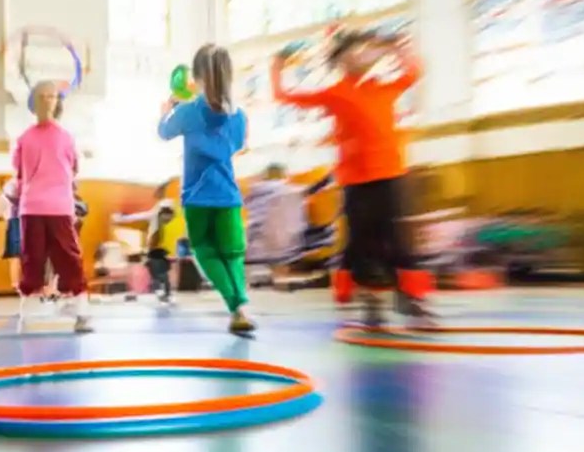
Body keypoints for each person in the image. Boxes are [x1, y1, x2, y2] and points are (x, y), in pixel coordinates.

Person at [271, 29, 431, 328]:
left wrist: (399, 47)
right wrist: (278, 66)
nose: (362, 55)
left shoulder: (383, 87)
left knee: (399, 240)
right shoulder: (335, 93)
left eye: (364, 50)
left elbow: (414, 72)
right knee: (363, 243)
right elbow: (283, 96)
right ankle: (372, 302)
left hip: (392, 176)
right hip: (357, 183)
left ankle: (413, 300)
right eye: (355, 51)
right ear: (341, 60)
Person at [157, 45, 254, 336]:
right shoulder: (240, 117)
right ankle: (241, 307)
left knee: (204, 250)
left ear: (196, 77)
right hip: (228, 195)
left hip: (197, 196)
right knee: (233, 253)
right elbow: (237, 145)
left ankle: (236, 306)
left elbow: (163, 133)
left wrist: (167, 110)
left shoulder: (188, 112)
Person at [13, 81, 91, 333]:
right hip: (32, 207)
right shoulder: (24, 138)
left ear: (58, 102)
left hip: (59, 207)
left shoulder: (66, 137)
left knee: (69, 258)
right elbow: (20, 173)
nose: (48, 100)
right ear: (33, 102)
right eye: (43, 96)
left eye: (52, 96)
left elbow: (74, 168)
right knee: (32, 258)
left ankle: (81, 310)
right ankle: (25, 312)